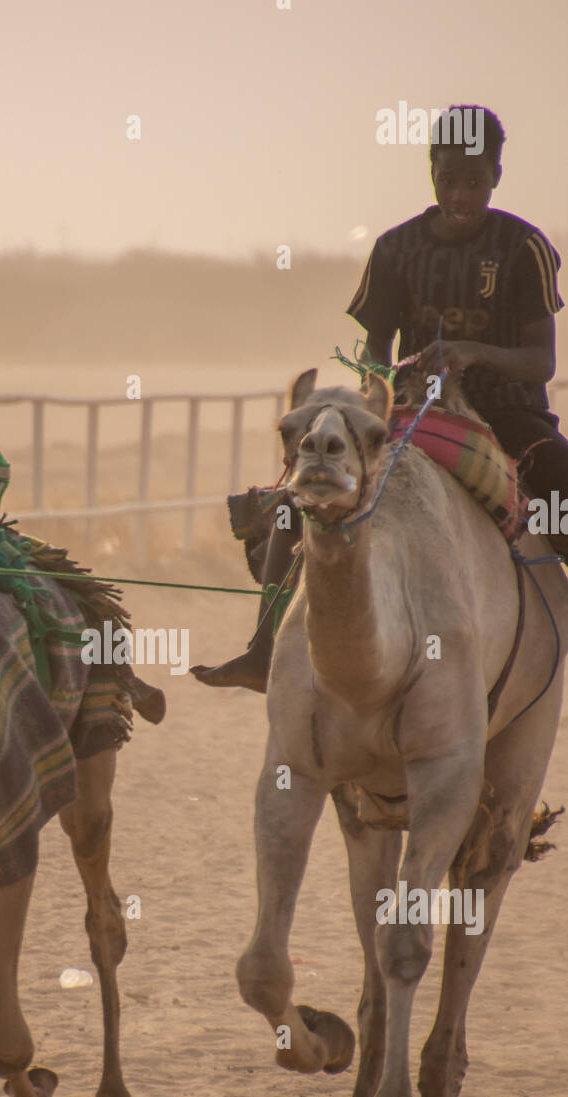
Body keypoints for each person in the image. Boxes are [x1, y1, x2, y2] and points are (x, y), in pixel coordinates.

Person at [193, 104, 567, 693]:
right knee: (308, 485)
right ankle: (263, 646)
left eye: (474, 181)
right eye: (448, 179)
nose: (460, 194)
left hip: (509, 414)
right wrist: (375, 388)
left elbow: (541, 361)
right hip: (415, 413)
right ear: (431, 172)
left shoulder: (524, 248)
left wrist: (469, 351)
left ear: (496, 174)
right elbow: (374, 351)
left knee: (560, 480)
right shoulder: (396, 249)